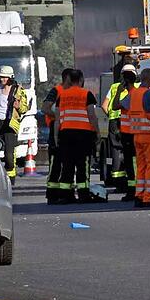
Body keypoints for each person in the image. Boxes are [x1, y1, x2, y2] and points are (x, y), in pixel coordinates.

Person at [54, 69, 99, 204]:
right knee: (82, 165)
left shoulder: (62, 96)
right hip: (83, 135)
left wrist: (56, 135)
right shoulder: (87, 94)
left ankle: (65, 195)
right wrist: (97, 132)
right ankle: (83, 194)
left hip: (66, 134)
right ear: (80, 80)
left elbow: (57, 118)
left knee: (67, 165)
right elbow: (92, 115)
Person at [122, 69, 150, 207]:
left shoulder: (134, 94)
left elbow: (121, 105)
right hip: (149, 135)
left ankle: (139, 195)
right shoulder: (149, 94)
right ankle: (149, 197)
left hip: (136, 136)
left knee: (141, 167)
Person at [0, 65, 28, 184]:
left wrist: (18, 106)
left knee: (9, 155)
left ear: (10, 78)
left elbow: (24, 108)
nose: (2, 80)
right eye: (0, 77)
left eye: (4, 78)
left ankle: (11, 176)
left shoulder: (18, 90)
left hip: (10, 124)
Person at [103, 64, 139, 201]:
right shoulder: (140, 88)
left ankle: (122, 184)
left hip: (118, 124)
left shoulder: (115, 87)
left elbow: (108, 106)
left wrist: (112, 116)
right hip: (135, 126)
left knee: (118, 153)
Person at [42, 68, 74, 202]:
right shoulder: (57, 90)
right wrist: (58, 116)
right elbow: (45, 108)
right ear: (67, 78)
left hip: (69, 129)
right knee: (55, 163)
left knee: (68, 162)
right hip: (57, 129)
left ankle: (65, 192)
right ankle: (52, 193)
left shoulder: (74, 92)